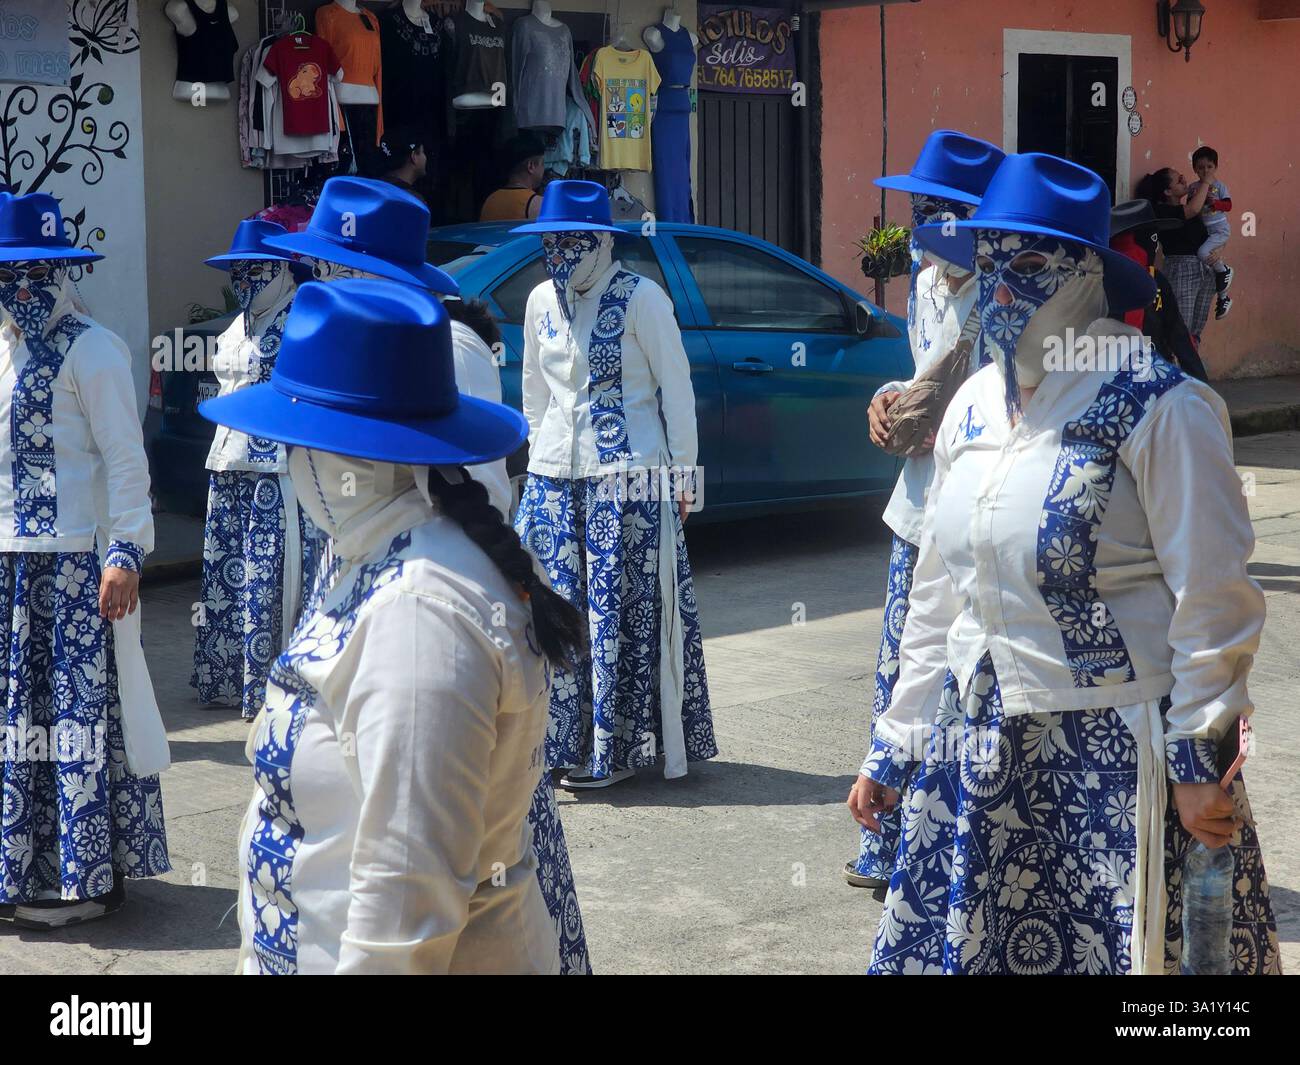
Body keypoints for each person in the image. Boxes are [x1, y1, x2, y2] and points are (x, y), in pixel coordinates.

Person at [848, 153, 1279, 975]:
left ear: (1088, 275)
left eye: (1034, 263)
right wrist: (897, 741)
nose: (1004, 286)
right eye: (990, 260)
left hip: (1115, 762)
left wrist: (1199, 763)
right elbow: (942, 590)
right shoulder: (974, 400)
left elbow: (1214, 597)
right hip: (975, 752)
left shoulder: (1161, 405)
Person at [202, 278, 581, 973]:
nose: (288, 461)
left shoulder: (421, 612)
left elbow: (403, 917)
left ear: (339, 454)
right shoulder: (381, 547)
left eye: (296, 439)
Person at [0, 191, 169, 927]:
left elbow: (125, 459)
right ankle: (22, 870)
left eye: (39, 274)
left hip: (70, 568)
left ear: (63, 272)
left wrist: (126, 548)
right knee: (18, 719)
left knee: (69, 719)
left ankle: (81, 877)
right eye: (10, 276)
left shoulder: (93, 348)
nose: (23, 290)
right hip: (10, 564)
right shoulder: (3, 351)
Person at [512, 180, 716, 789]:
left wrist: (685, 478)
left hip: (628, 484)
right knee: (550, 610)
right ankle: (556, 744)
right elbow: (533, 393)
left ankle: (616, 752)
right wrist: (535, 463)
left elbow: (676, 391)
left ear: (603, 241)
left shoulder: (641, 299)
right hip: (553, 481)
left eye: (573, 241)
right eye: (552, 242)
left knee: (617, 616)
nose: (561, 254)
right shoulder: (538, 303)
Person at [850, 130, 1005, 890]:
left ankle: (946, 853)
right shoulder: (925, 285)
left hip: (977, 518)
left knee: (961, 683)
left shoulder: (1007, 297)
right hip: (916, 510)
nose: (920, 224)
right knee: (905, 672)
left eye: (936, 210)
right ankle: (890, 842)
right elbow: (919, 380)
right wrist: (885, 400)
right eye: (917, 208)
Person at [192, 219, 320, 719]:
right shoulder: (235, 327)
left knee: (269, 578)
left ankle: (268, 680)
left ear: (286, 272)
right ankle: (224, 675)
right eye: (238, 273)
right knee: (227, 573)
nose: (245, 282)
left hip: (275, 471)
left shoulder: (301, 325)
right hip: (227, 465)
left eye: (257, 271)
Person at [1108, 199, 1208, 383]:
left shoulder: (1157, 280)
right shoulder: (1102, 282)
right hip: (1113, 378)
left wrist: (1202, 387)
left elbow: (1177, 334)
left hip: (1156, 373)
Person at [1135, 167, 1219, 350]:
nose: (1184, 180)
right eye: (1179, 180)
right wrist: (1206, 182)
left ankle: (1191, 369)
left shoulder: (1187, 205)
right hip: (1182, 269)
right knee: (1181, 327)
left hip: (1204, 269)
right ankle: (1178, 371)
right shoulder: (1161, 211)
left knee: (1195, 330)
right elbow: (1192, 210)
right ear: (1167, 191)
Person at [1189, 145, 1233, 319]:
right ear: (1194, 169)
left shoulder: (1219, 186)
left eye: (1209, 167)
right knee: (1209, 262)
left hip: (1219, 230)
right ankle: (1223, 298)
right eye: (1200, 167)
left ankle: (1225, 270)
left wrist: (1215, 204)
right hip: (1205, 232)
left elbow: (1228, 205)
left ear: (1216, 167)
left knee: (1203, 254)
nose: (1205, 171)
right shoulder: (1193, 187)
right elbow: (1191, 207)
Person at [480, 131, 546, 222]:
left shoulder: (490, 200)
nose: (544, 169)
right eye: (542, 163)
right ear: (531, 166)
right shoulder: (538, 204)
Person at [377, 127, 429, 206]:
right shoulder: (414, 202)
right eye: (423, 152)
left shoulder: (371, 189)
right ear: (414, 156)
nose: (425, 157)